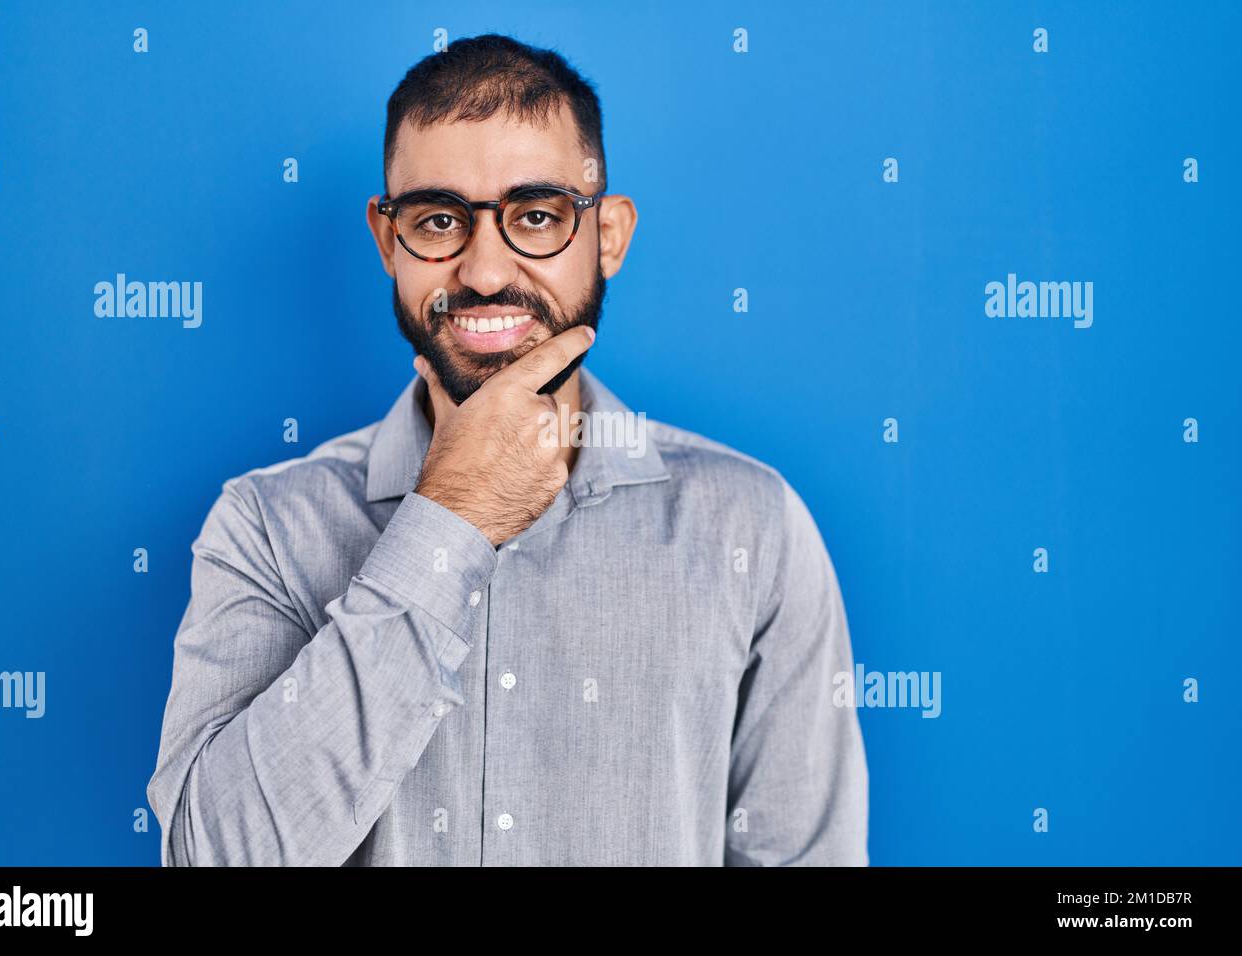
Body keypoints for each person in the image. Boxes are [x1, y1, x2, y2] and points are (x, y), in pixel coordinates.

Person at [146, 33, 868, 866]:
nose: (485, 270)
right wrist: (447, 519)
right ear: (387, 241)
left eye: (535, 216)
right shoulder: (265, 526)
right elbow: (213, 857)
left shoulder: (754, 526)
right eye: (440, 220)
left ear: (609, 236)